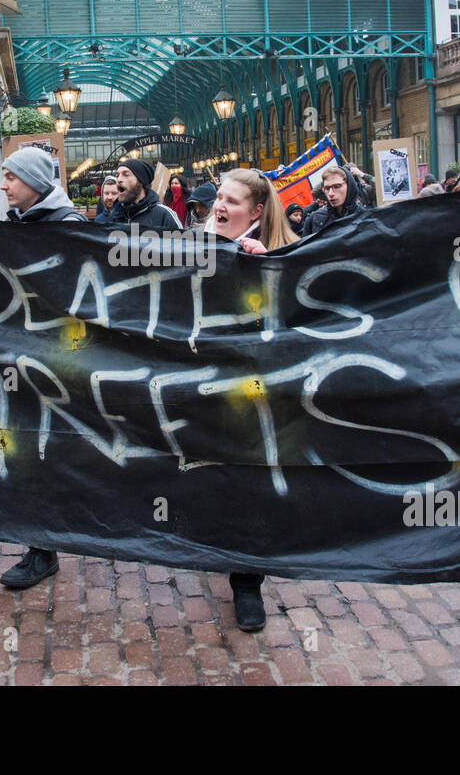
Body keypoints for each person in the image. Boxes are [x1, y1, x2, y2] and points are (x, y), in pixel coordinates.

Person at [0, 147, 86, 589]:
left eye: (11, 177)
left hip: (61, 365)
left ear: (35, 181)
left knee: (53, 453)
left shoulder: (69, 228)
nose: (3, 186)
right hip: (23, 363)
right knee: (30, 455)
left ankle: (61, 537)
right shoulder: (19, 226)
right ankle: (42, 548)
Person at [197, 169, 300, 631]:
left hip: (251, 399)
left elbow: (297, 327)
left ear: (256, 212)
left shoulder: (279, 254)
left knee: (247, 486)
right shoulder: (192, 245)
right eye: (219, 197)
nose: (220, 206)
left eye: (233, 202)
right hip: (195, 391)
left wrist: (265, 270)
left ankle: (246, 583)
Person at [105, 159, 182, 229]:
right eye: (117, 175)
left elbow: (183, 243)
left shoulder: (164, 215)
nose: (119, 180)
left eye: (126, 174)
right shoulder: (114, 216)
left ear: (141, 181)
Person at [300, 165, 363, 236]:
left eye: (337, 187)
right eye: (327, 188)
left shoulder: (365, 219)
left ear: (349, 187)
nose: (331, 193)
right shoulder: (314, 219)